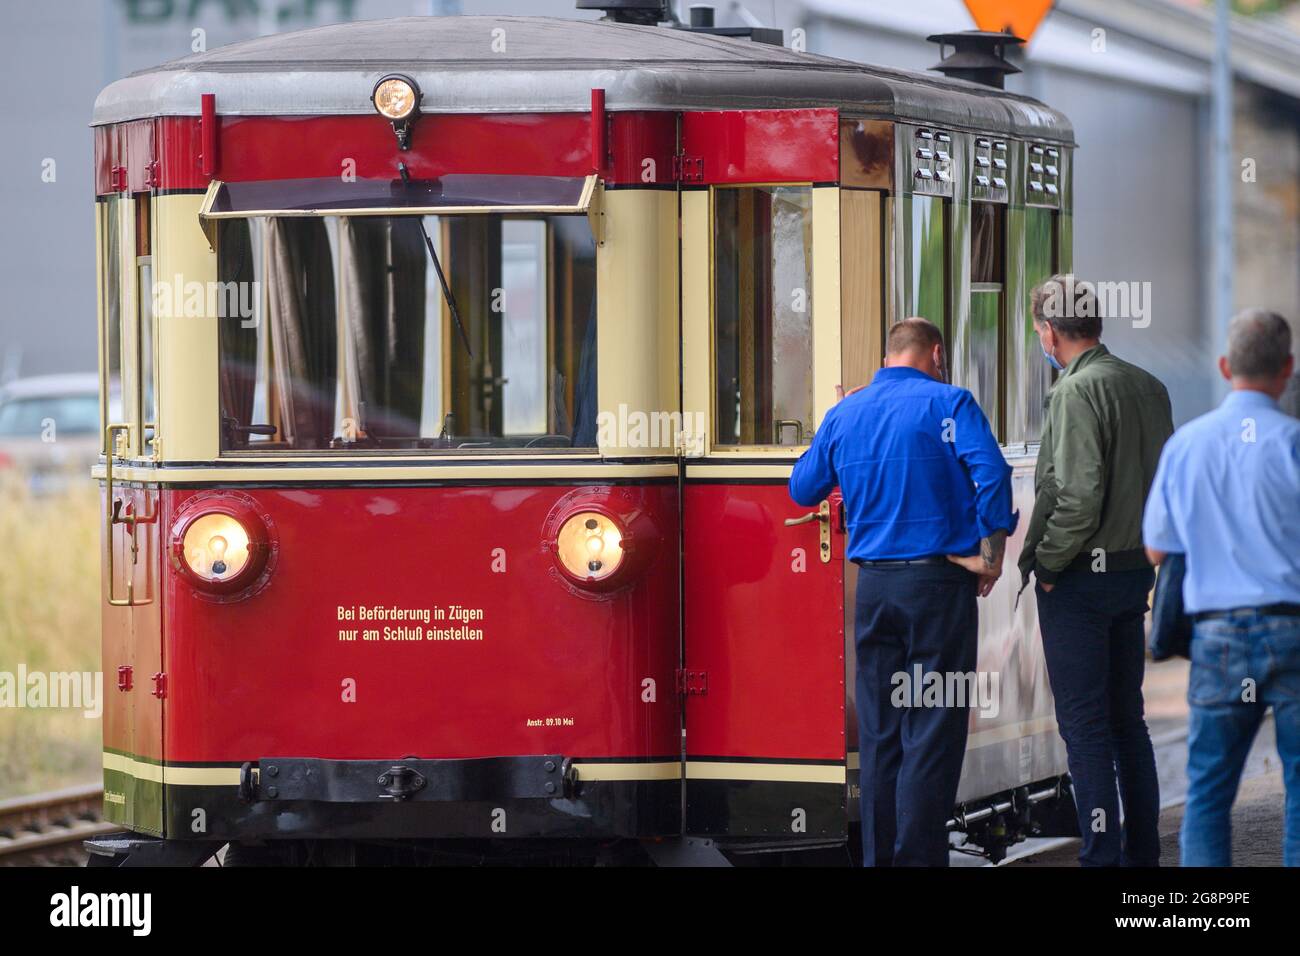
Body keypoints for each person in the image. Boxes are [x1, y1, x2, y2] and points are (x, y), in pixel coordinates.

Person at [790, 317, 1016, 867]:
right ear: (935, 353)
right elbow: (993, 475)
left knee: (881, 734)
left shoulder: (848, 412)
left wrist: (834, 427)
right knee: (932, 731)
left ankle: (880, 862)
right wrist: (990, 553)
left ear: (888, 355)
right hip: (938, 588)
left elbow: (802, 488)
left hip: (876, 591)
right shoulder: (951, 403)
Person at [1017, 274, 1173, 867]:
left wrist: (1050, 564)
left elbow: (1078, 495)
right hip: (1133, 575)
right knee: (1127, 722)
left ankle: (1102, 856)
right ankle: (1143, 855)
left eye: (1039, 332)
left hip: (1082, 579)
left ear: (1050, 333)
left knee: (1083, 728)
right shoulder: (1149, 387)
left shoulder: (1075, 393)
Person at [1143, 308, 1300, 867]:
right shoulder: (1293, 443)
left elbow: (1157, 548)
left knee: (1209, 792)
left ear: (1225, 365)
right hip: (1293, 629)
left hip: (1219, 637)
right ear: (1287, 368)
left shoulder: (1188, 445)